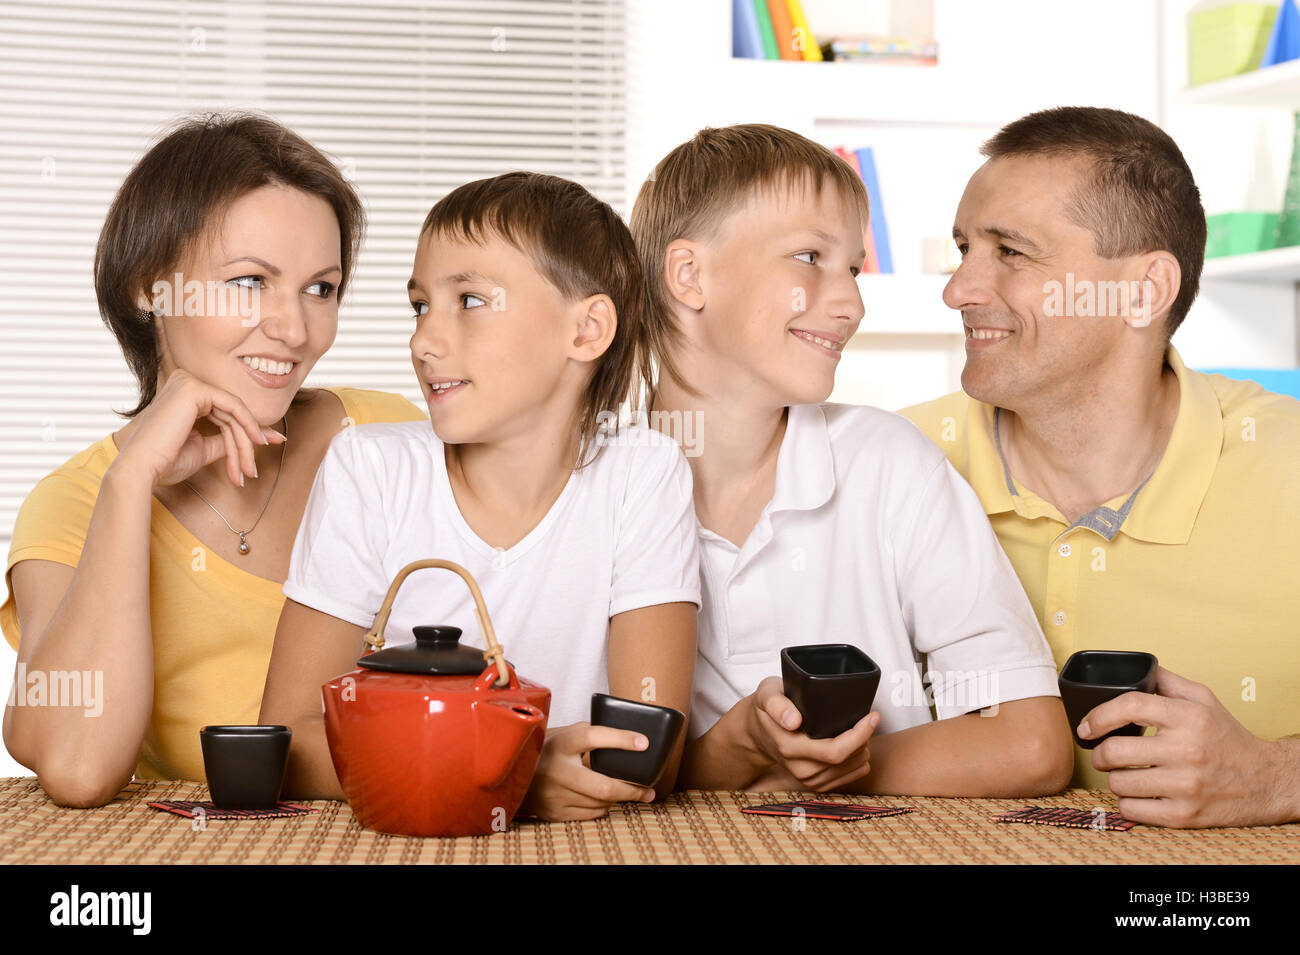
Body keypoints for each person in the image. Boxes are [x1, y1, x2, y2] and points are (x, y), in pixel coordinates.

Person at [629, 123, 1074, 796]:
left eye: (852, 268)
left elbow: (1030, 741)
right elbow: (604, 769)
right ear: (690, 275)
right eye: (810, 256)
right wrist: (739, 745)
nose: (851, 304)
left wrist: (841, 770)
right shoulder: (592, 490)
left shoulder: (889, 465)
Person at [0, 113, 428, 807]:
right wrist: (132, 482)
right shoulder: (76, 503)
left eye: (321, 288)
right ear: (148, 286)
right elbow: (78, 768)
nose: (294, 329)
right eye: (251, 281)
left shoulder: (383, 438)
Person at [900, 106, 1300, 828]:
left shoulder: (1289, 467)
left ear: (1143, 291)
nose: (959, 289)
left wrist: (1277, 778)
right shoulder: (895, 464)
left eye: (1011, 253)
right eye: (964, 248)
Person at [258, 171, 700, 822]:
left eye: (467, 300)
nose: (422, 341)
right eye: (419, 305)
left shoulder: (644, 473)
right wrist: (505, 772)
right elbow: (289, 737)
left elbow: (650, 743)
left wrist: (488, 769)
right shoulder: (369, 469)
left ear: (586, 331)